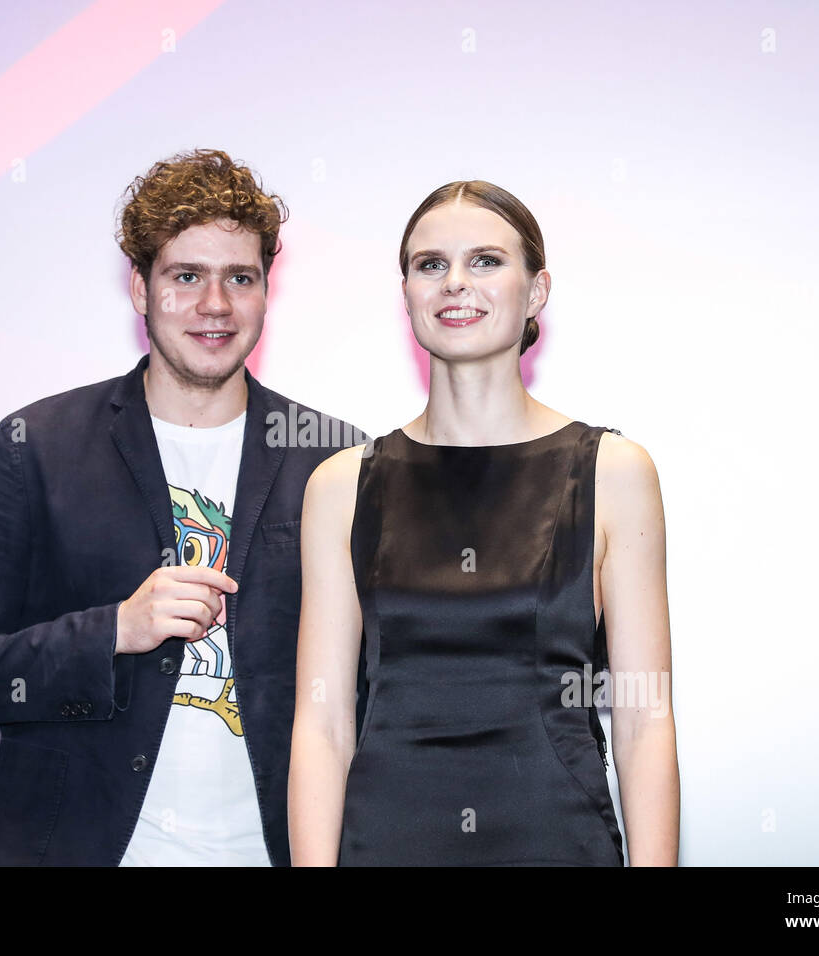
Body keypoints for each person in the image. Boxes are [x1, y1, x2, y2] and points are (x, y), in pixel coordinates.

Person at [0, 148, 364, 866]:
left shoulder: (334, 460)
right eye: (186, 276)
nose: (216, 305)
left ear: (266, 291)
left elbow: (377, 694)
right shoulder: (38, 446)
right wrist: (113, 629)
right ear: (141, 290)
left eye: (239, 278)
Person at [288, 180, 680, 866]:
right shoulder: (341, 486)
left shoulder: (613, 472)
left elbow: (644, 721)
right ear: (406, 290)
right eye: (431, 264)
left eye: (486, 261)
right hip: (384, 846)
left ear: (535, 293)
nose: (455, 284)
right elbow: (322, 725)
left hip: (559, 844)